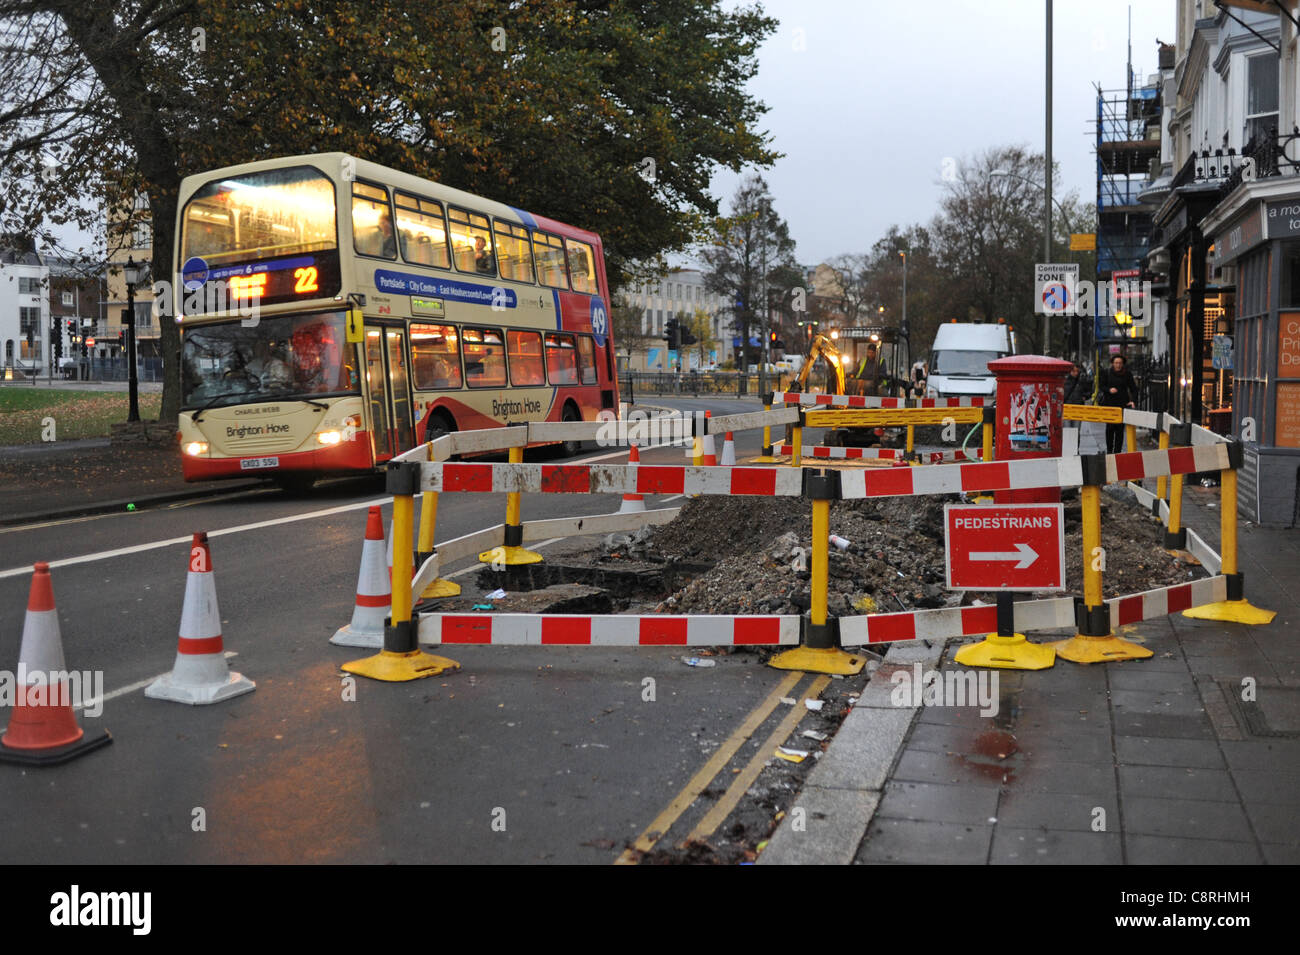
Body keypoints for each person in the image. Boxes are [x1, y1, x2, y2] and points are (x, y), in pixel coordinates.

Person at [1097, 353, 1136, 453]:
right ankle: (1109, 450)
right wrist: (1109, 390)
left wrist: (1133, 401)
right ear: (1112, 363)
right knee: (1109, 428)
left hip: (1122, 404)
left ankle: (1117, 452)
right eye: (1116, 363)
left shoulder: (1127, 374)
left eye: (1120, 363)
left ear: (1123, 364)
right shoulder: (1107, 373)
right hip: (1109, 404)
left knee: (1120, 430)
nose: (1118, 365)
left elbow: (1133, 389)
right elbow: (1101, 386)